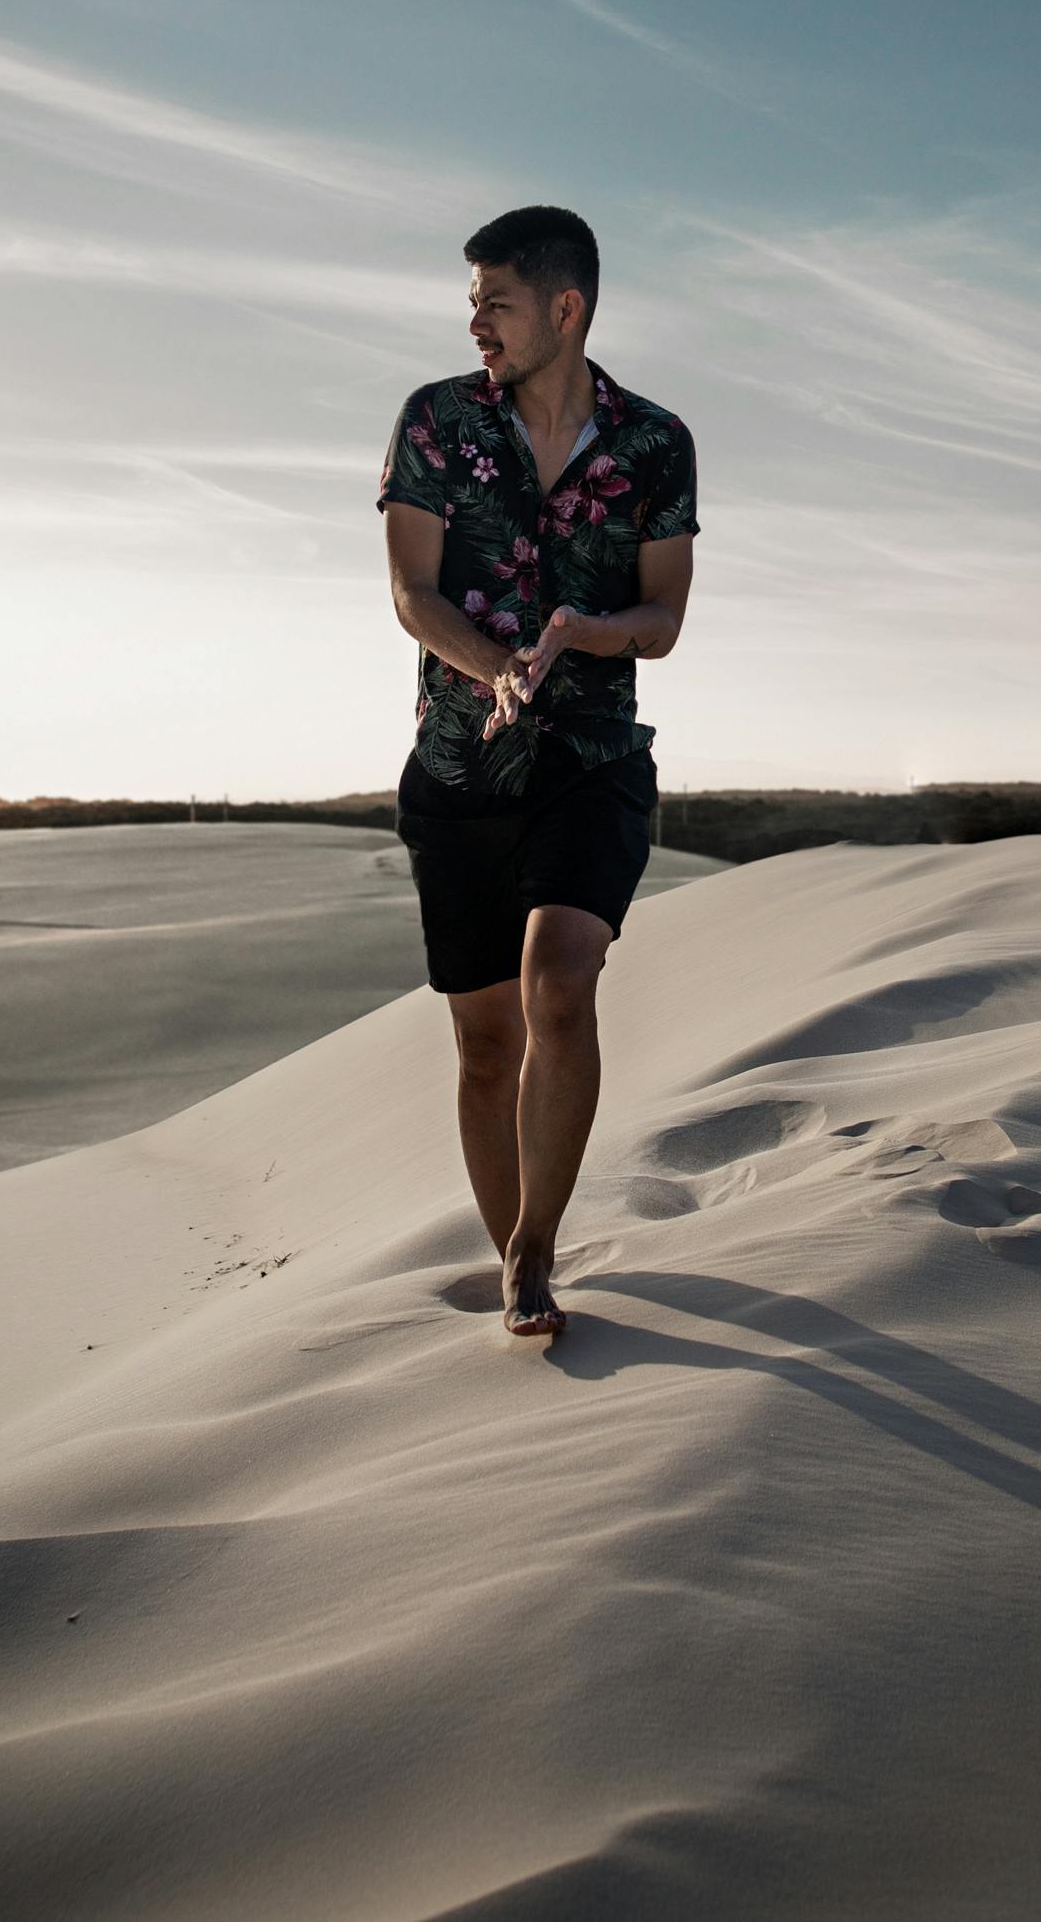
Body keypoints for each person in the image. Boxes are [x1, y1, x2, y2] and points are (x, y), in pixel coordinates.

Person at [376, 206, 700, 1337]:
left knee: (560, 977)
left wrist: (586, 631)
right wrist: (498, 663)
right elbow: (412, 593)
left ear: (565, 307)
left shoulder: (656, 444)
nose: (476, 324)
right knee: (482, 1041)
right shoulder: (434, 423)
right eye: (471, 303)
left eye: (495, 302)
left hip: (593, 758)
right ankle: (509, 1231)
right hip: (460, 767)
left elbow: (662, 617)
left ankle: (532, 1256)